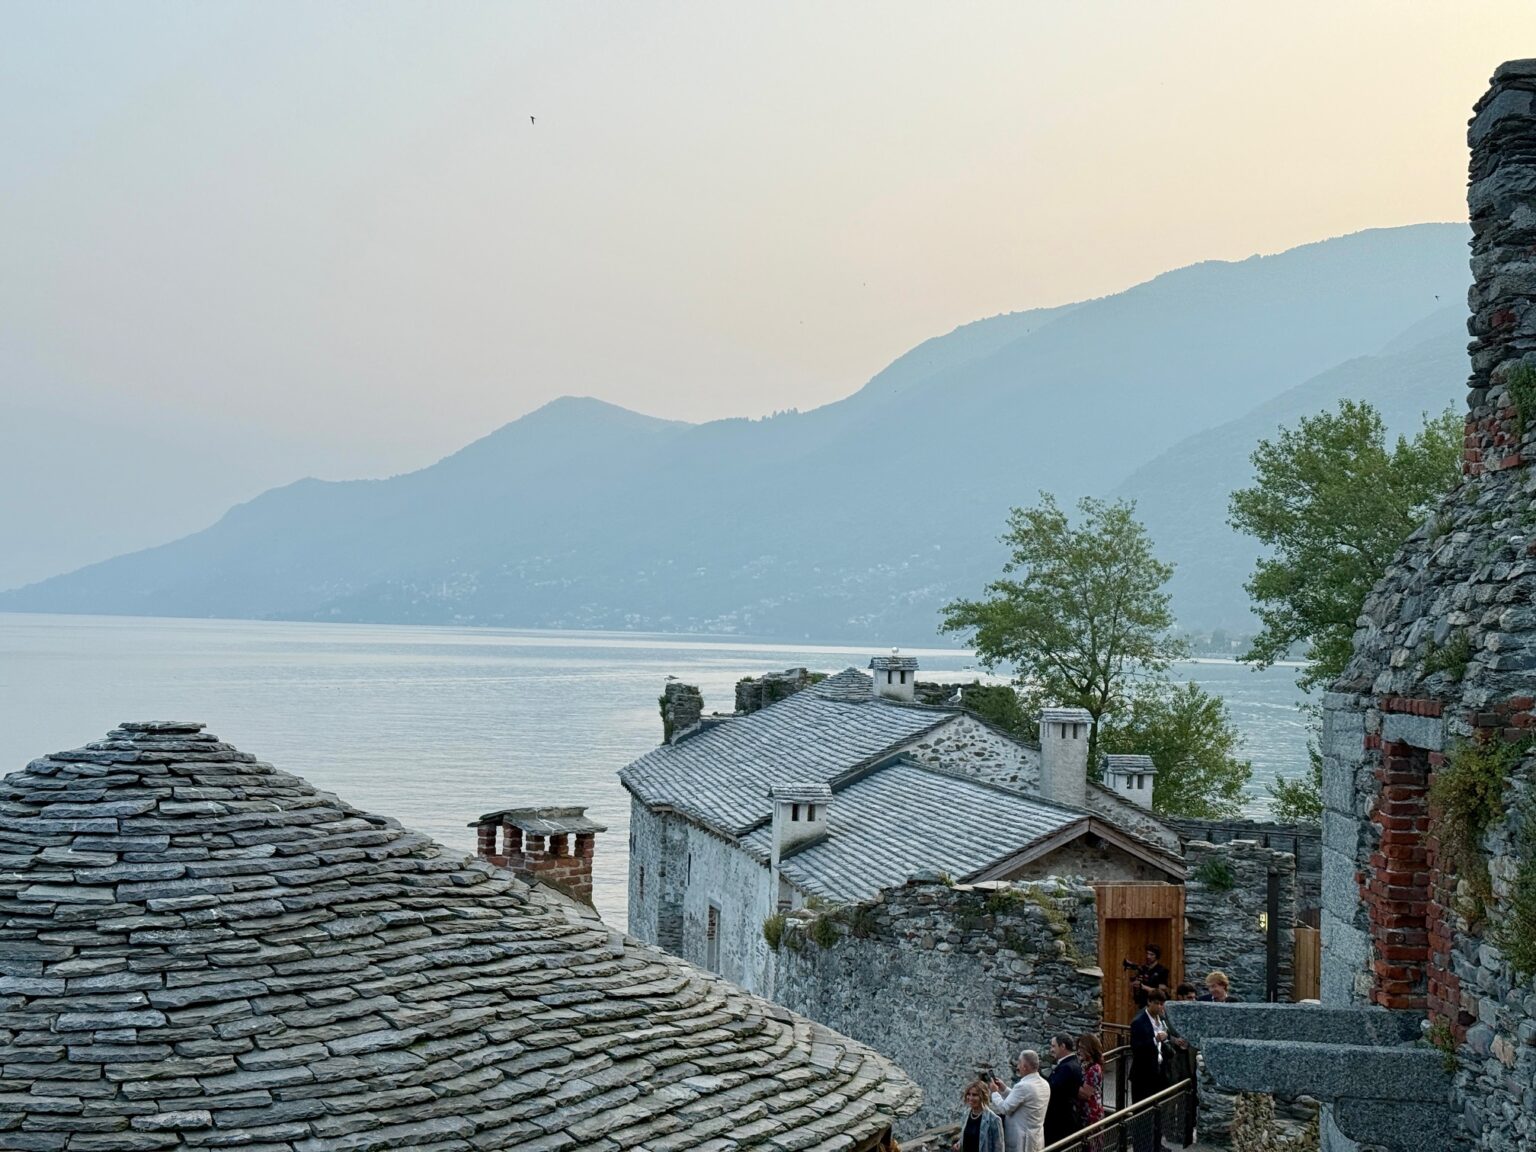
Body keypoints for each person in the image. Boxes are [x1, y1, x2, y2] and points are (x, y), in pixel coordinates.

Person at [1129, 989, 1170, 1152]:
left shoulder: (1162, 1020)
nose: (1160, 1007)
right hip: (1143, 1076)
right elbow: (1137, 1048)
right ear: (1150, 1003)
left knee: (1158, 1111)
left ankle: (1156, 1144)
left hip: (1158, 1073)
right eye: (1158, 1004)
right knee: (1142, 1114)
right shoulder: (1139, 1022)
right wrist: (1155, 1039)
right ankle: (1142, 1147)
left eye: (1162, 1004)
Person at [990, 1049, 1050, 1152]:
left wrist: (995, 1092)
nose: (1017, 1067)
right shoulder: (1045, 1084)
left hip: (1021, 1142)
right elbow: (1023, 1099)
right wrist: (1004, 1089)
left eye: (1019, 1063)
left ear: (1024, 1067)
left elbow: (1004, 1108)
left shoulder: (1023, 1086)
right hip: (1036, 1138)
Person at [1166, 985, 1201, 1146]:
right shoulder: (1170, 1013)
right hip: (1174, 1059)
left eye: (1194, 997)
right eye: (1189, 998)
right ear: (1180, 997)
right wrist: (1174, 1040)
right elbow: (1164, 1032)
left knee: (1187, 1097)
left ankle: (1183, 1131)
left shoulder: (1195, 1014)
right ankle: (1169, 1130)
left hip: (1190, 1060)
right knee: (1172, 1096)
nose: (1192, 1001)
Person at [1043, 1033, 1083, 1146]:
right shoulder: (1072, 1063)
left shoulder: (1067, 1067)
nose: (1051, 1050)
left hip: (1060, 1121)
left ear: (1063, 1046)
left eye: (1053, 1046)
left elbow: (1053, 1089)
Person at [952, 1079, 1004, 1152]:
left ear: (983, 1096)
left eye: (974, 1095)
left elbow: (999, 1148)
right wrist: (959, 1144)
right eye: (968, 1094)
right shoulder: (966, 1114)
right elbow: (968, 1137)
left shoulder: (993, 1119)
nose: (970, 1098)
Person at [1075, 1033, 1105, 1145]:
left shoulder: (1094, 1069)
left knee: (1092, 1145)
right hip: (1083, 1112)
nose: (1079, 1051)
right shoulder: (1084, 1064)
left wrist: (1067, 1085)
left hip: (1092, 1114)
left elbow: (1086, 1093)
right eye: (1078, 1048)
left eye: (1082, 1048)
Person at [1128, 943, 1170, 1008]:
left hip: (1157, 1004)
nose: (1148, 957)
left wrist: (1144, 987)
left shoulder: (1162, 970)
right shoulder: (1142, 969)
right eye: (1147, 954)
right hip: (1143, 1003)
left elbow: (1162, 990)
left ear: (1157, 956)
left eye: (1151, 955)